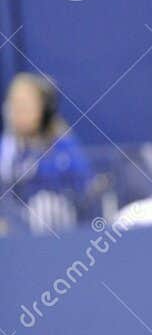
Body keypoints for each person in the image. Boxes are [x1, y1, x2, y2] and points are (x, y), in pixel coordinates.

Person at [0, 72, 91, 234]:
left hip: (60, 231)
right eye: (14, 105)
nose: (18, 112)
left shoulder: (63, 144)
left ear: (44, 110)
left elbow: (83, 184)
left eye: (25, 105)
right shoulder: (7, 147)